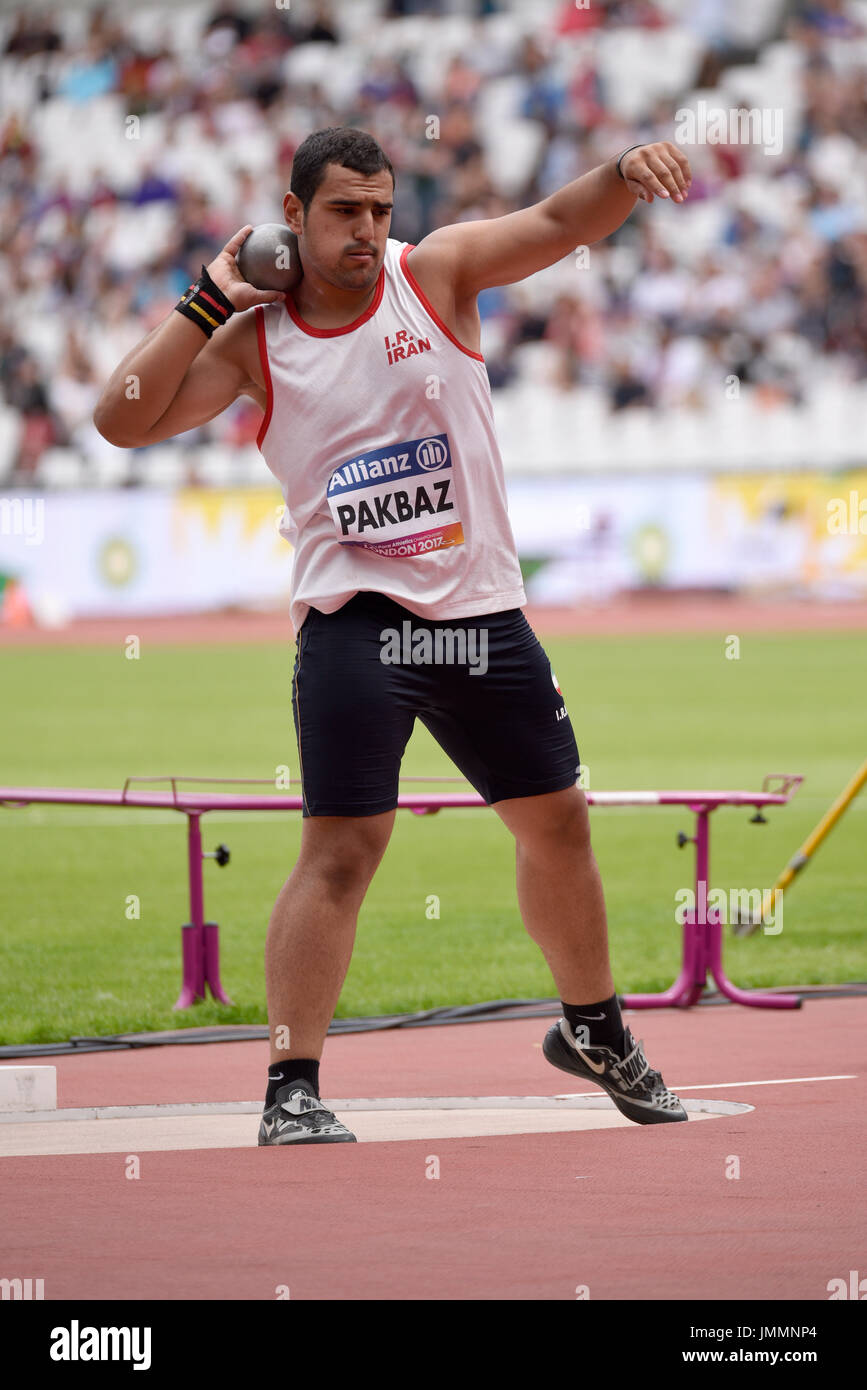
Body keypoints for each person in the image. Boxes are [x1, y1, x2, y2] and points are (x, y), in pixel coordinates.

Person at [94, 126, 692, 1144]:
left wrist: (622, 172)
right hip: (356, 622)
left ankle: (593, 1029)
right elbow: (124, 419)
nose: (368, 230)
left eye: (380, 209)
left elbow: (556, 223)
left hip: (481, 616)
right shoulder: (256, 339)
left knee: (559, 824)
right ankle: (292, 1085)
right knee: (342, 847)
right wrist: (211, 294)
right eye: (344, 212)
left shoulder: (438, 274)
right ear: (292, 217)